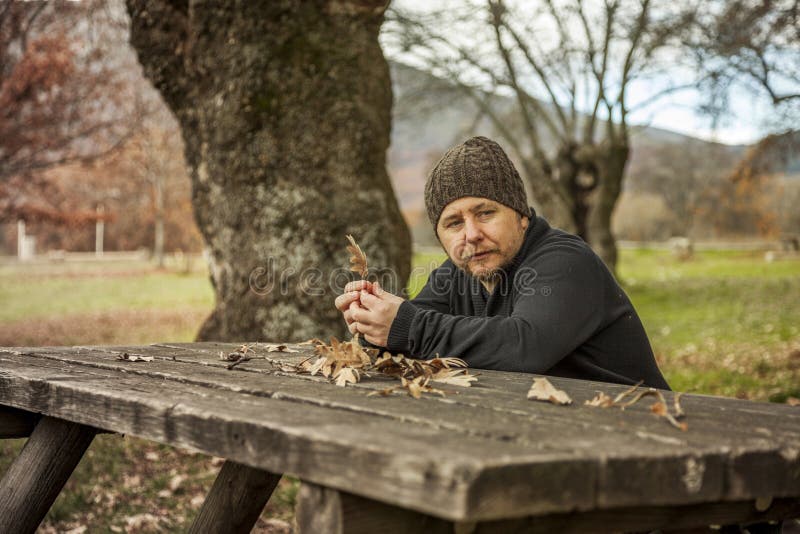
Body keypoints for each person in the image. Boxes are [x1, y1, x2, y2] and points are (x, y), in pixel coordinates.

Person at [334, 136, 669, 389]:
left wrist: (406, 326)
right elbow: (413, 332)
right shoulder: (458, 272)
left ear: (522, 216)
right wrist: (373, 324)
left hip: (639, 432)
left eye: (485, 213)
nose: (472, 234)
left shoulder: (566, 260)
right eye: (454, 223)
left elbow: (526, 348)